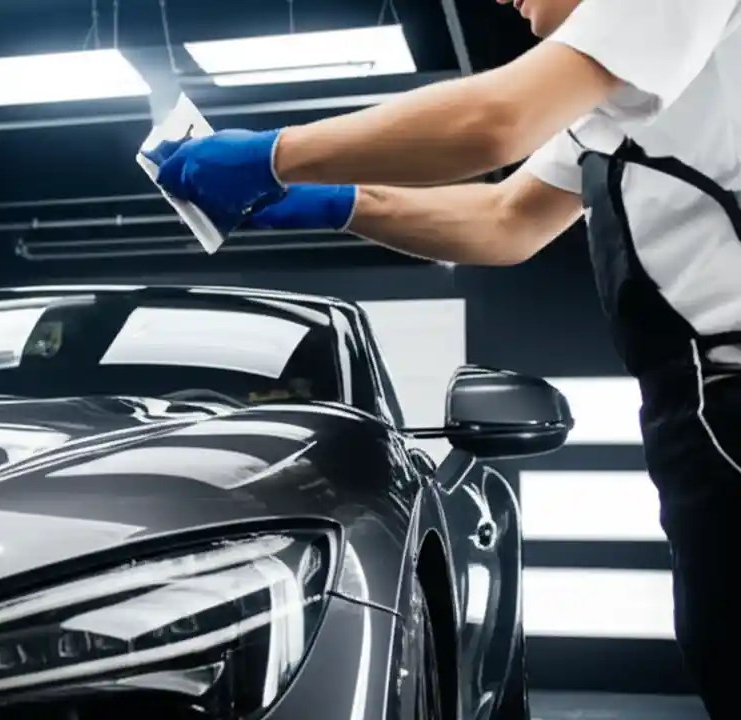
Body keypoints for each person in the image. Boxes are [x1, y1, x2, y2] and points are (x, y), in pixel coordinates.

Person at [145, 0, 741, 716]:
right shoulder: (614, 89)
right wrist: (337, 202)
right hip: (696, 409)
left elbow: (494, 121)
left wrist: (274, 153)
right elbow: (505, 222)